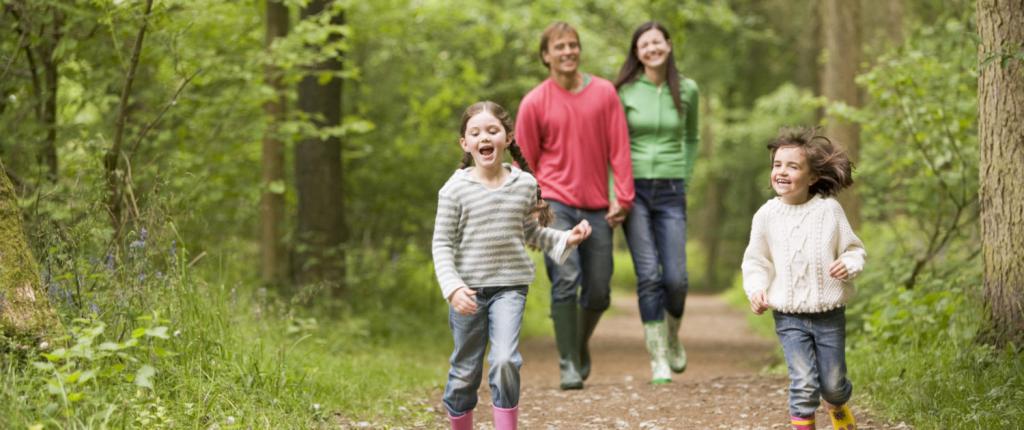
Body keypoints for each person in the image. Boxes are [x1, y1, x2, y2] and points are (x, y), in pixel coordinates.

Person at [433, 101, 593, 430]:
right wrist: (452, 289)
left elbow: (529, 232)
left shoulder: (523, 185)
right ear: (465, 143)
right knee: (465, 371)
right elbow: (442, 244)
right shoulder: (454, 190)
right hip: (468, 292)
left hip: (510, 287)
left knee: (505, 360)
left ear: (507, 138)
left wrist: (565, 239)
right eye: (475, 133)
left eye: (492, 131)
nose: (484, 137)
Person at [515, 21, 634, 390]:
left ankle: (577, 344)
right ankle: (567, 362)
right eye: (559, 46)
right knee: (566, 279)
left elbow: (619, 147)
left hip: (597, 206)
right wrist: (533, 208)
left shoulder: (604, 93)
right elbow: (524, 162)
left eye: (573, 45)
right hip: (555, 205)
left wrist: (623, 196)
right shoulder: (535, 101)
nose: (567, 51)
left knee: (599, 290)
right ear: (546, 56)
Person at [742, 127, 864, 430]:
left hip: (829, 315)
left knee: (833, 385)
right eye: (777, 165)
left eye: (792, 166)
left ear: (811, 177)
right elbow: (756, 261)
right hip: (789, 316)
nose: (782, 172)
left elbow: (854, 249)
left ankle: (837, 406)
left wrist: (848, 265)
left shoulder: (829, 211)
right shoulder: (766, 216)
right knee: (803, 383)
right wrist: (756, 289)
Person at [613, 21, 700, 384]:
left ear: (668, 45)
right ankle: (658, 357)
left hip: (671, 190)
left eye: (657, 42)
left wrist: (685, 175)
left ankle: (673, 335)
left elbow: (692, 137)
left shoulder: (689, 89)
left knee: (676, 279)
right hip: (633, 191)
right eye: (644, 44)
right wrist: (614, 192)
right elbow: (614, 144)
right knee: (648, 275)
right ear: (637, 52)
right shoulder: (625, 92)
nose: (651, 49)